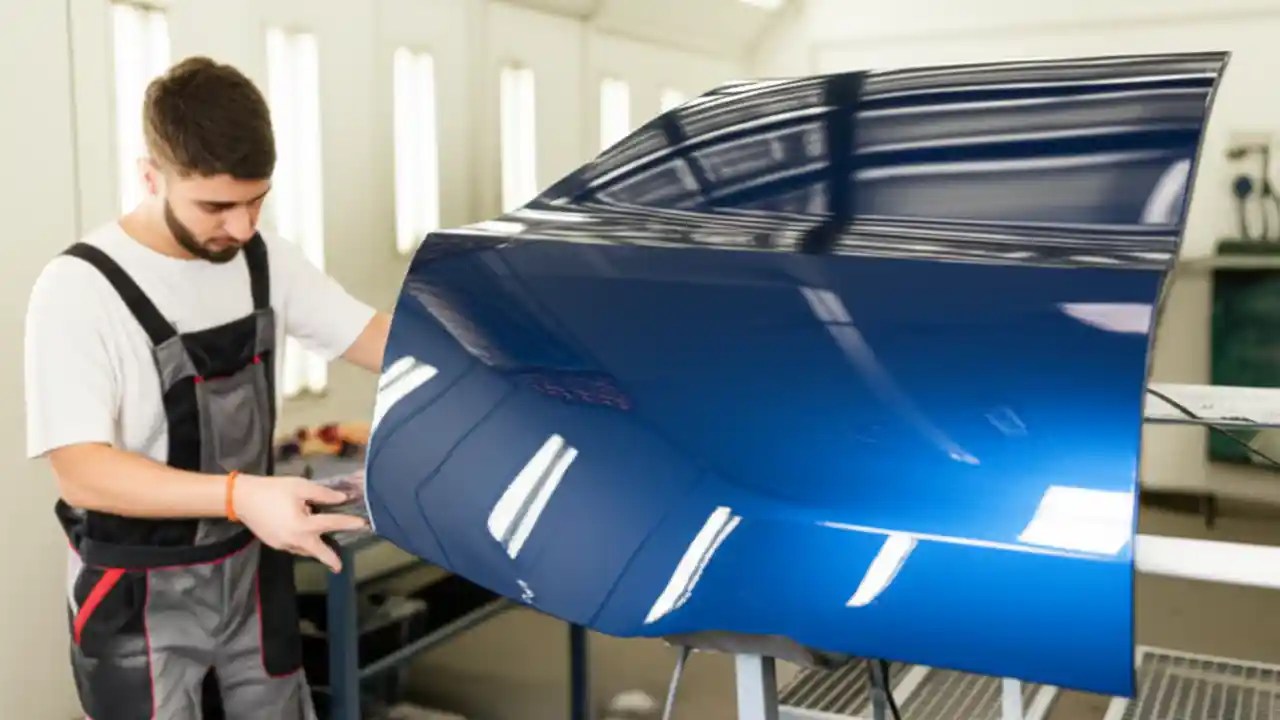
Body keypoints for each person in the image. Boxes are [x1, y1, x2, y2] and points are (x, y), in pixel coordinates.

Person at [23, 56, 391, 719]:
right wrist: (239, 493)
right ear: (150, 176)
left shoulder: (262, 257)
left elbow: (374, 338)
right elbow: (80, 473)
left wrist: (502, 364)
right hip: (137, 598)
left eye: (256, 201)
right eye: (217, 206)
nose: (242, 226)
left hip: (250, 578)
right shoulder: (80, 290)